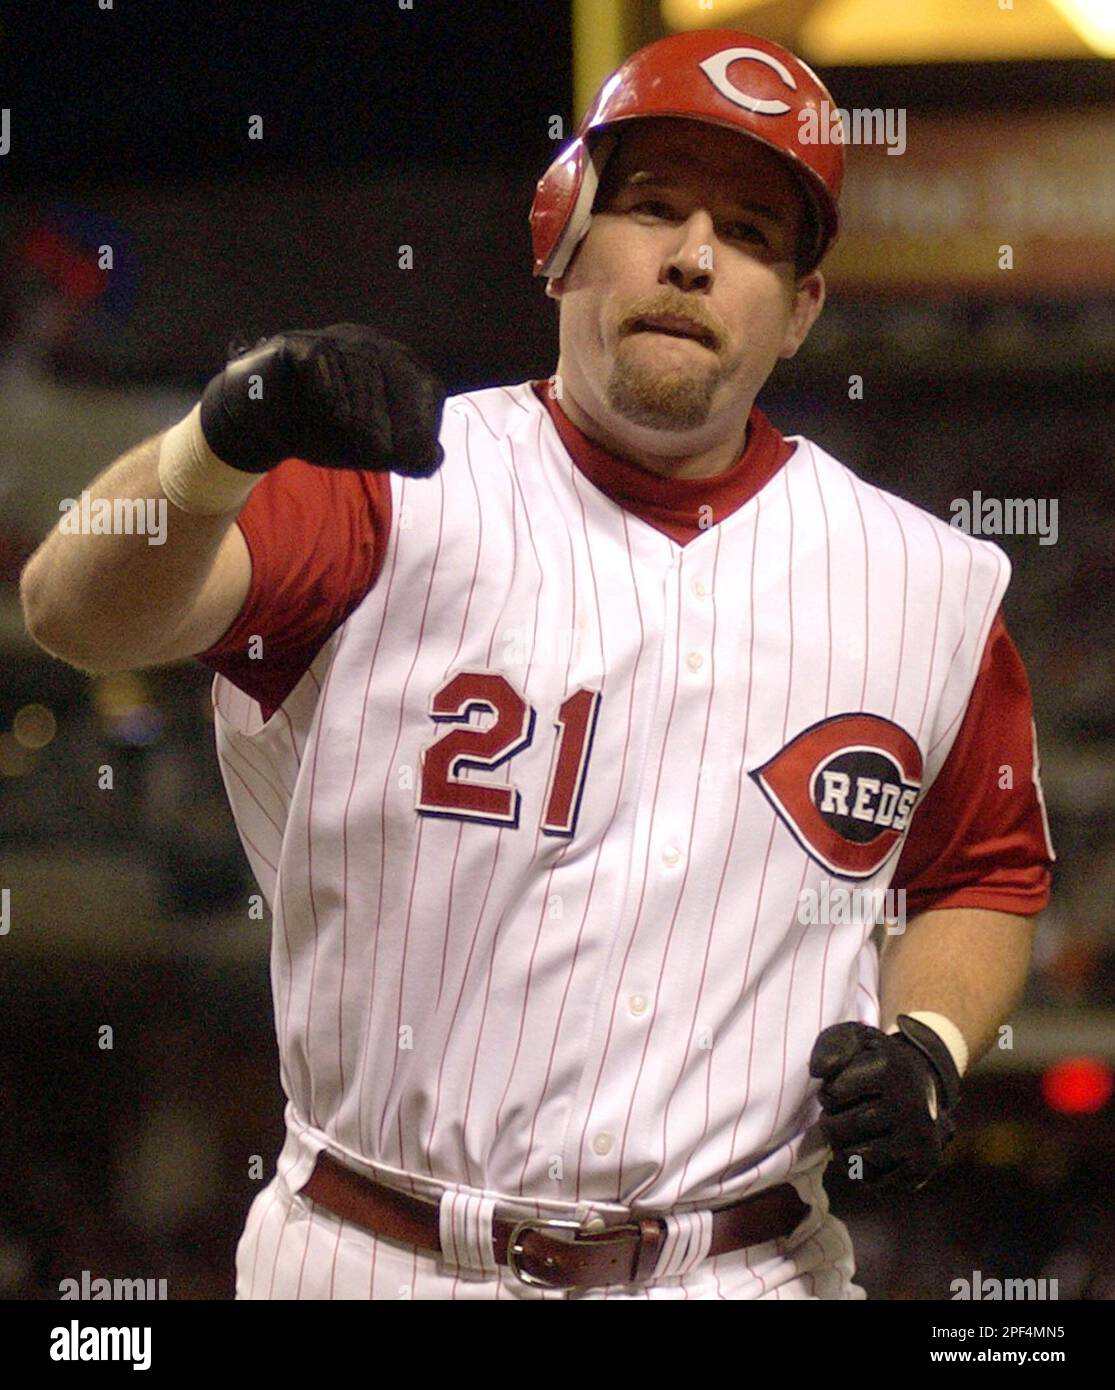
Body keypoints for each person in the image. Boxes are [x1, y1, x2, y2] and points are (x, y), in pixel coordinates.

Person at [20, 29, 1054, 1299]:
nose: (691, 254)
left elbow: (986, 869)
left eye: (749, 233)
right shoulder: (388, 491)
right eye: (652, 206)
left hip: (743, 1268)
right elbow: (76, 612)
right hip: (373, 1253)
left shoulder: (923, 582)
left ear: (799, 311)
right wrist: (216, 442)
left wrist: (932, 1042)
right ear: (560, 235)